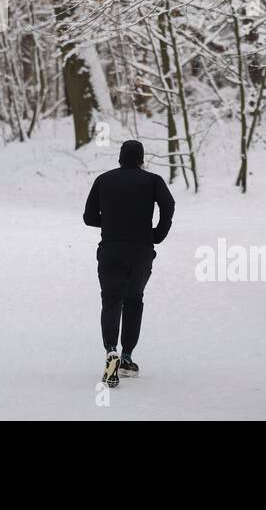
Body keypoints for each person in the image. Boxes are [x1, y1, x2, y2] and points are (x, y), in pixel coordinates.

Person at [83, 139, 175, 388]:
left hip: (111, 249)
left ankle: (110, 350)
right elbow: (169, 204)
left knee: (111, 300)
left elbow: (89, 217)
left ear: (120, 159)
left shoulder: (104, 180)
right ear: (141, 159)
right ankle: (126, 358)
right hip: (141, 251)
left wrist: (114, 223)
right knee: (134, 300)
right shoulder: (153, 180)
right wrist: (157, 233)